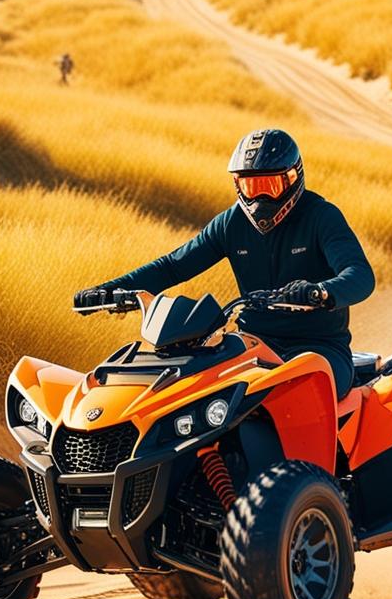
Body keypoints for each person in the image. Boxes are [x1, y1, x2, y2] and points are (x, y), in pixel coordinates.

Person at [74, 129, 376, 398]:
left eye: (268, 186)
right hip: (249, 344)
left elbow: (360, 275)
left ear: (293, 179)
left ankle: (305, 464)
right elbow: (173, 266)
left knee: (298, 393)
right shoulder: (231, 224)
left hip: (318, 348)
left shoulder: (321, 216)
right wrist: (108, 290)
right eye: (248, 187)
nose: (258, 199)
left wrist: (319, 292)